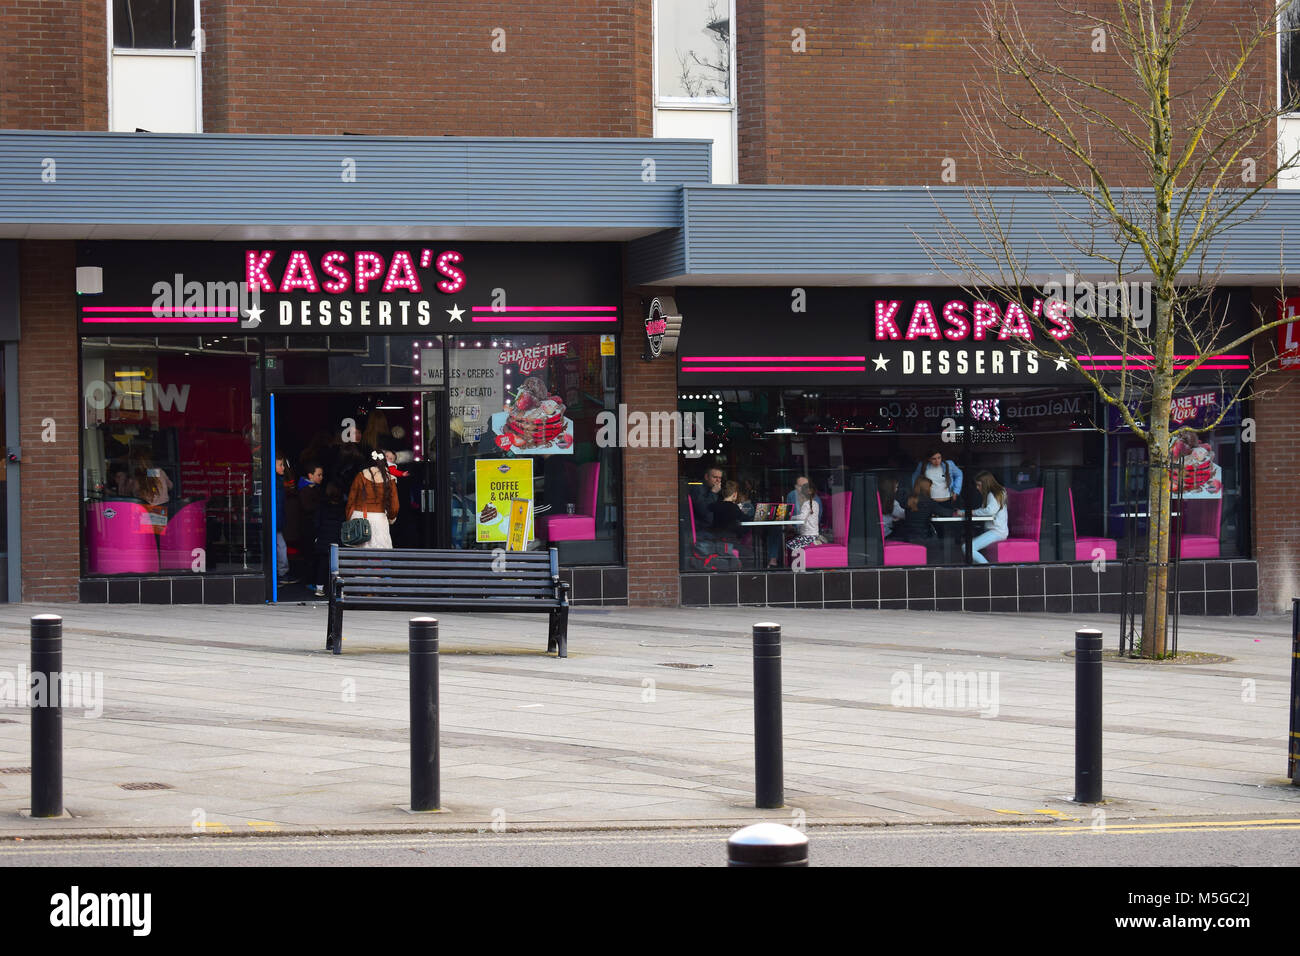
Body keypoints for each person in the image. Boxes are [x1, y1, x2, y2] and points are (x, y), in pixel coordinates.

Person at [345, 449, 400, 549]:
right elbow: (394, 505)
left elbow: (351, 500)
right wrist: (391, 518)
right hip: (379, 520)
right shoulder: (390, 479)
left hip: (359, 519)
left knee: (358, 556)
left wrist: (349, 518)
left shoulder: (360, 476)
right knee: (379, 556)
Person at [963, 471, 1009, 565]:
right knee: (967, 547)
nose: (977, 487)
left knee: (967, 548)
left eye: (979, 485)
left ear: (986, 484)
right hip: (996, 530)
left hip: (997, 532)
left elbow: (990, 511)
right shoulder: (997, 493)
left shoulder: (993, 494)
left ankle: (989, 570)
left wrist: (971, 512)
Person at [311, 481, 346, 597]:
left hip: (324, 539)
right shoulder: (343, 508)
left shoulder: (322, 506)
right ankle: (336, 589)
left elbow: (316, 523)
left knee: (322, 565)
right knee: (337, 566)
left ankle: (319, 588)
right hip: (337, 540)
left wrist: (317, 535)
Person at [896, 476, 946, 544]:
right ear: (926, 488)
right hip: (924, 538)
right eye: (930, 487)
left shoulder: (908, 500)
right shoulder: (929, 502)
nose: (931, 489)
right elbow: (946, 513)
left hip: (908, 537)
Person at [785, 479, 824, 553]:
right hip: (814, 534)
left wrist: (790, 517)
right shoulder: (815, 503)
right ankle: (813, 542)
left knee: (789, 545)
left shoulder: (806, 504)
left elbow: (802, 518)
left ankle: (810, 546)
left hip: (807, 536)